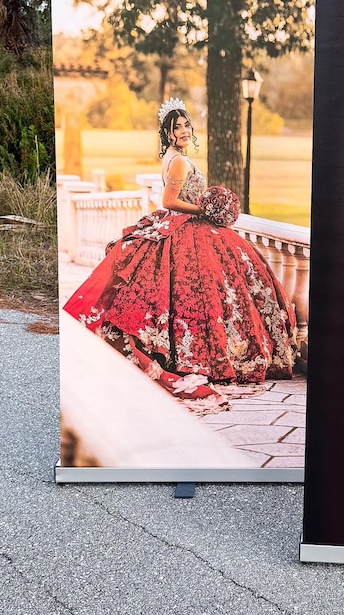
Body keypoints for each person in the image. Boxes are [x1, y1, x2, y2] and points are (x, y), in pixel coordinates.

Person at [64, 99, 296, 404]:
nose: (184, 130)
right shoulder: (178, 161)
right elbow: (169, 200)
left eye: (186, 124)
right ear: (169, 132)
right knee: (201, 291)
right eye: (177, 127)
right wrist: (203, 207)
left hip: (189, 227)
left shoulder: (176, 157)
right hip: (187, 228)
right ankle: (204, 356)